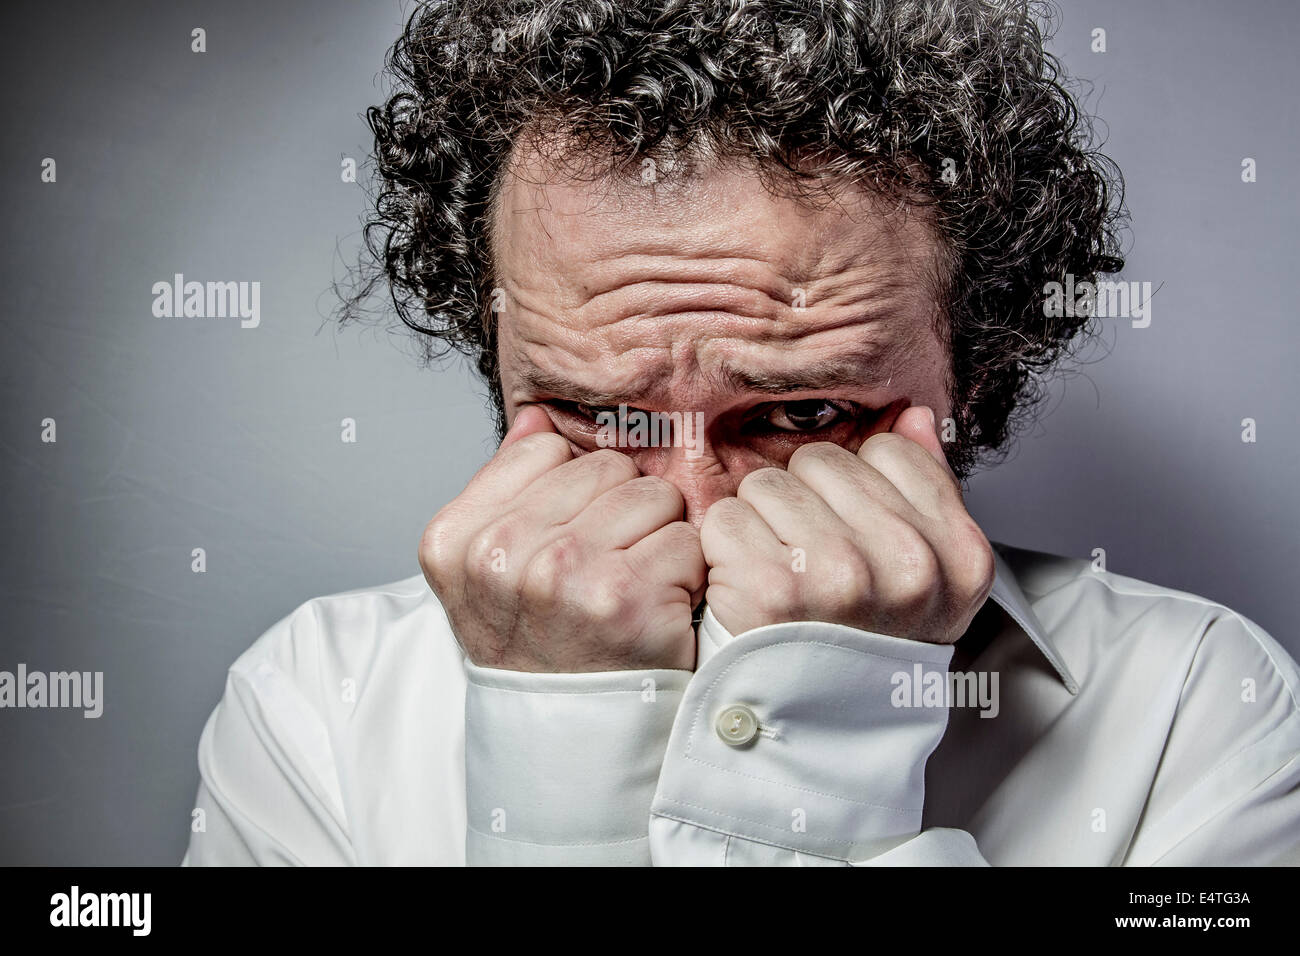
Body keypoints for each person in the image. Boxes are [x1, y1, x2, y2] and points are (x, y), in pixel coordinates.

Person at [182, 0, 1300, 865]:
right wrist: (554, 751)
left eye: (803, 414)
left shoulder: (1196, 704)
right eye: (594, 414)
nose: (697, 511)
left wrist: (822, 746)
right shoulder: (313, 699)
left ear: (979, 365)